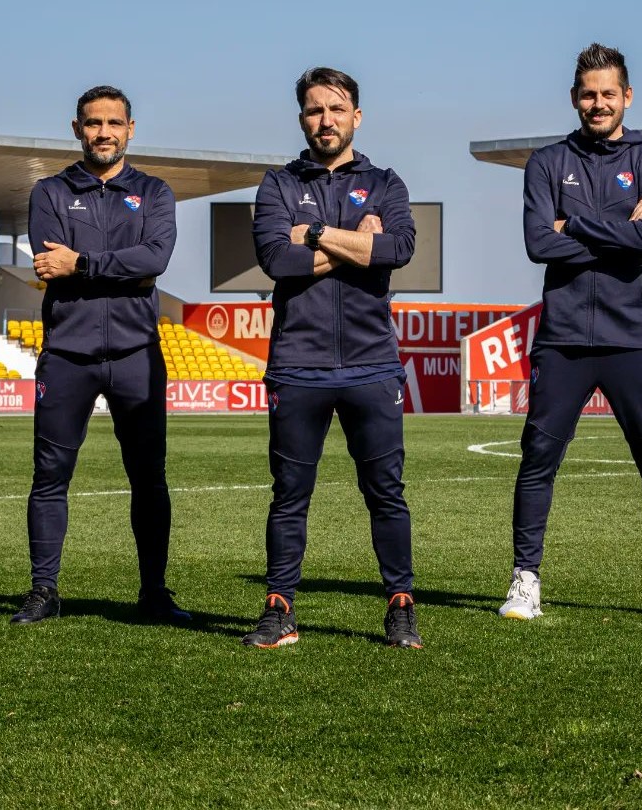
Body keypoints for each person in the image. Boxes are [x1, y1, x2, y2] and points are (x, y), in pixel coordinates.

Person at [500, 43, 642, 623]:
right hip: (563, 338)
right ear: (574, 98)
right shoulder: (546, 162)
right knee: (538, 457)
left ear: (627, 97)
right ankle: (525, 579)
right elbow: (538, 243)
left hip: (635, 339)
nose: (598, 103)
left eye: (608, 94)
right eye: (589, 95)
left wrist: (574, 224)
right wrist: (619, 228)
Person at [241, 67, 421, 648]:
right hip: (298, 364)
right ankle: (279, 609)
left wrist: (313, 233)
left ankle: (400, 606)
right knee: (289, 495)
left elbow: (398, 248)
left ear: (356, 117)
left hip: (373, 363)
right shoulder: (277, 184)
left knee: (386, 493)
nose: (326, 120)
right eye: (315, 110)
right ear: (302, 119)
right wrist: (354, 242)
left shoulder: (386, 183)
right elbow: (277, 261)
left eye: (337, 109)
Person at [12, 85, 189, 625]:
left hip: (137, 355)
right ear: (77, 129)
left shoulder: (154, 192)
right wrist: (119, 267)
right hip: (68, 355)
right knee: (50, 475)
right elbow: (50, 263)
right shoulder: (49, 192)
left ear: (130, 129)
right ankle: (44, 590)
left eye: (114, 123)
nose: (104, 132)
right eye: (93, 123)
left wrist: (83, 264)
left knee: (149, 478)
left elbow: (154, 260)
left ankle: (154, 593)